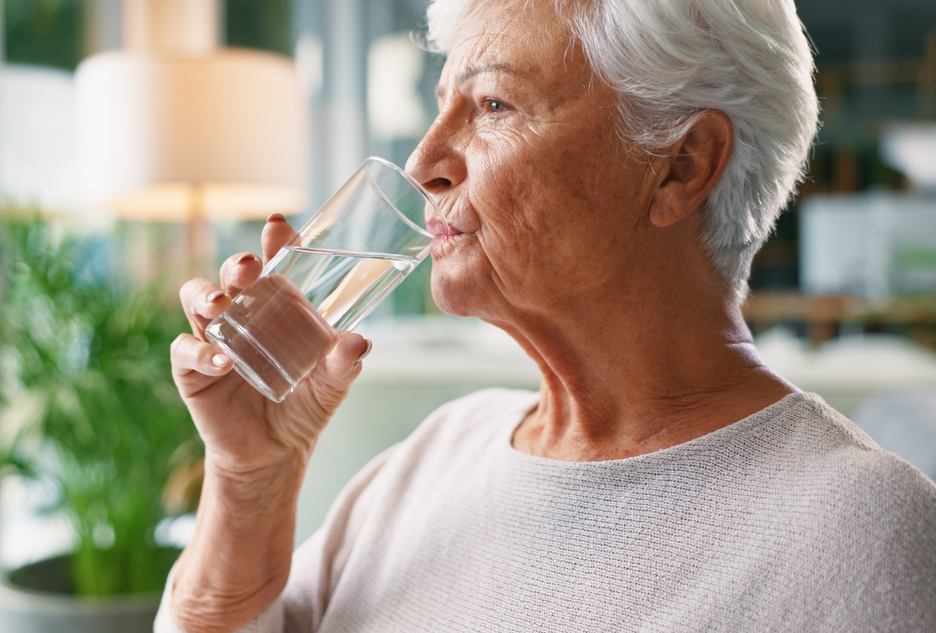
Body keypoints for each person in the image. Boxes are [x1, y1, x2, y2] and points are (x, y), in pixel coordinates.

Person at [156, 0, 936, 630]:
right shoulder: (433, 457)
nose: (425, 160)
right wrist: (246, 483)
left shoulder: (857, 528)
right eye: (442, 105)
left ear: (680, 165)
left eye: (493, 103)